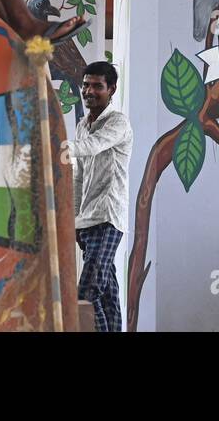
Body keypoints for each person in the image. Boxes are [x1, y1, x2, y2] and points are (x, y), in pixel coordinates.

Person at [68, 61, 131, 332]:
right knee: (107, 294)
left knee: (88, 292)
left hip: (108, 218)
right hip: (87, 221)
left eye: (97, 86)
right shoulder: (83, 126)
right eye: (86, 85)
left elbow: (93, 147)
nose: (89, 91)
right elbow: (78, 177)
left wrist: (57, 145)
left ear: (111, 89)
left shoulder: (118, 123)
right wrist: (74, 220)